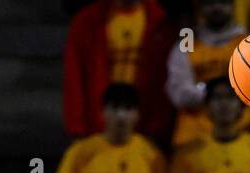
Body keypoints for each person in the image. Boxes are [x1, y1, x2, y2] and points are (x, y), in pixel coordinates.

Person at [63, 0, 173, 143]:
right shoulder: (87, 22)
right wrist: (76, 126)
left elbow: (166, 77)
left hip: (146, 125)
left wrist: (158, 125)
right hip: (98, 125)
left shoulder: (162, 22)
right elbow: (74, 78)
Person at [165, 0, 247, 149]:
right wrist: (225, 95)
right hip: (193, 138)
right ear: (200, 8)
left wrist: (201, 90)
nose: (216, 7)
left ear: (232, 6)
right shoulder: (188, 41)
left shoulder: (247, 42)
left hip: (242, 133)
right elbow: (180, 93)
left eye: (222, 2)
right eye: (209, 3)